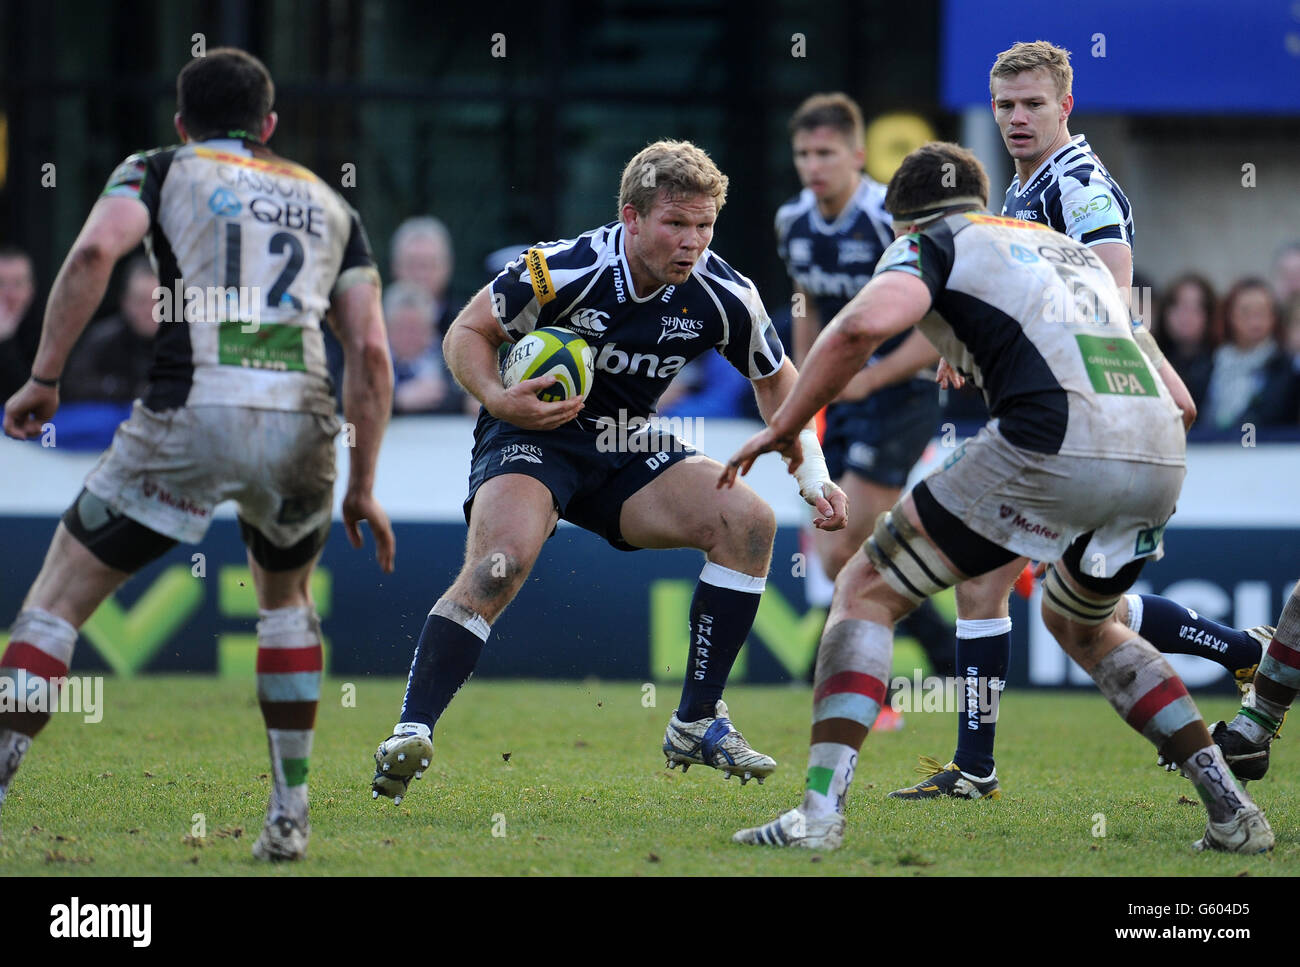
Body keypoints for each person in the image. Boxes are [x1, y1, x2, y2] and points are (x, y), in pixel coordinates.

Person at [723, 141, 1271, 854]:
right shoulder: (1062, 250)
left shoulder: (933, 240)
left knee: (862, 586)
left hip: (1051, 437)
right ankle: (1231, 810)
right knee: (1084, 623)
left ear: (902, 221)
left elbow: (860, 326)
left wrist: (787, 423)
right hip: (1159, 449)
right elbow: (1184, 400)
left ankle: (818, 815)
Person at [0, 48, 396, 862]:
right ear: (271, 126)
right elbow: (373, 353)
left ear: (183, 122)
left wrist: (45, 377)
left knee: (57, 600)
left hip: (190, 414)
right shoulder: (331, 204)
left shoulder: (160, 166)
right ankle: (289, 812)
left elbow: (90, 256)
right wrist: (363, 485)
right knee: (285, 603)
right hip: (303, 426)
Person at [369, 140, 847, 804]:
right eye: (675, 224)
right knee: (500, 563)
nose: (692, 242)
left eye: (704, 226)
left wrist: (813, 476)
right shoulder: (558, 268)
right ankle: (410, 730)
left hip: (625, 443)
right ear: (631, 217)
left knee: (750, 522)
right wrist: (498, 397)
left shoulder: (725, 292)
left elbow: (777, 381)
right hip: (532, 434)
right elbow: (465, 332)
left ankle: (697, 720)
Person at [889, 40, 1208, 801]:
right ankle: (1240, 654)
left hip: (1080, 423)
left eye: (1033, 103)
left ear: (1066, 103)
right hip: (1063, 415)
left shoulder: (1081, 185)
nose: (1016, 118)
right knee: (1067, 600)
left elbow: (1112, 300)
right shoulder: (1025, 187)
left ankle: (975, 765)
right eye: (1004, 105)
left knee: (1029, 595)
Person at [775, 93, 955, 716]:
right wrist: (804, 388)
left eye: (825, 153)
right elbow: (805, 305)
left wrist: (871, 379)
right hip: (844, 396)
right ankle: (946, 659)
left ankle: (861, 689)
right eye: (803, 153)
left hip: (901, 395)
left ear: (857, 155)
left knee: (838, 542)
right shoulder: (793, 222)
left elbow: (937, 322)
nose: (812, 165)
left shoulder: (887, 216)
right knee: (861, 545)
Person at [61, 255, 160, 403]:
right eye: (141, 301)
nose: (150, 311)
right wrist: (123, 389)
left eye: (158, 302)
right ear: (125, 302)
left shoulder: (188, 343)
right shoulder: (101, 340)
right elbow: (72, 385)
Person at [1203, 278, 1296, 430]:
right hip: (1212, 450)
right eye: (1246, 311)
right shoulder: (1209, 364)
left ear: (1273, 317)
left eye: (1262, 311)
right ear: (1230, 315)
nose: (1255, 320)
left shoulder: (1287, 369)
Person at [384, 280, 459, 414]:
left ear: (431, 330)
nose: (408, 336)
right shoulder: (368, 363)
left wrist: (441, 395)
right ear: (387, 328)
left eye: (416, 329)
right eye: (401, 328)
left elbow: (465, 400)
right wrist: (396, 399)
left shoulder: (451, 363)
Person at [1152, 274, 1218, 411]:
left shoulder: (1222, 363)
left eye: (1196, 307)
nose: (1185, 315)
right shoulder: (1149, 361)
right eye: (1178, 305)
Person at [0, 247, 39, 402]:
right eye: (1, 283)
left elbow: (32, 396)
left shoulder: (48, 333)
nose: (9, 294)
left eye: (17, 284)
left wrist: (6, 342)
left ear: (31, 289)